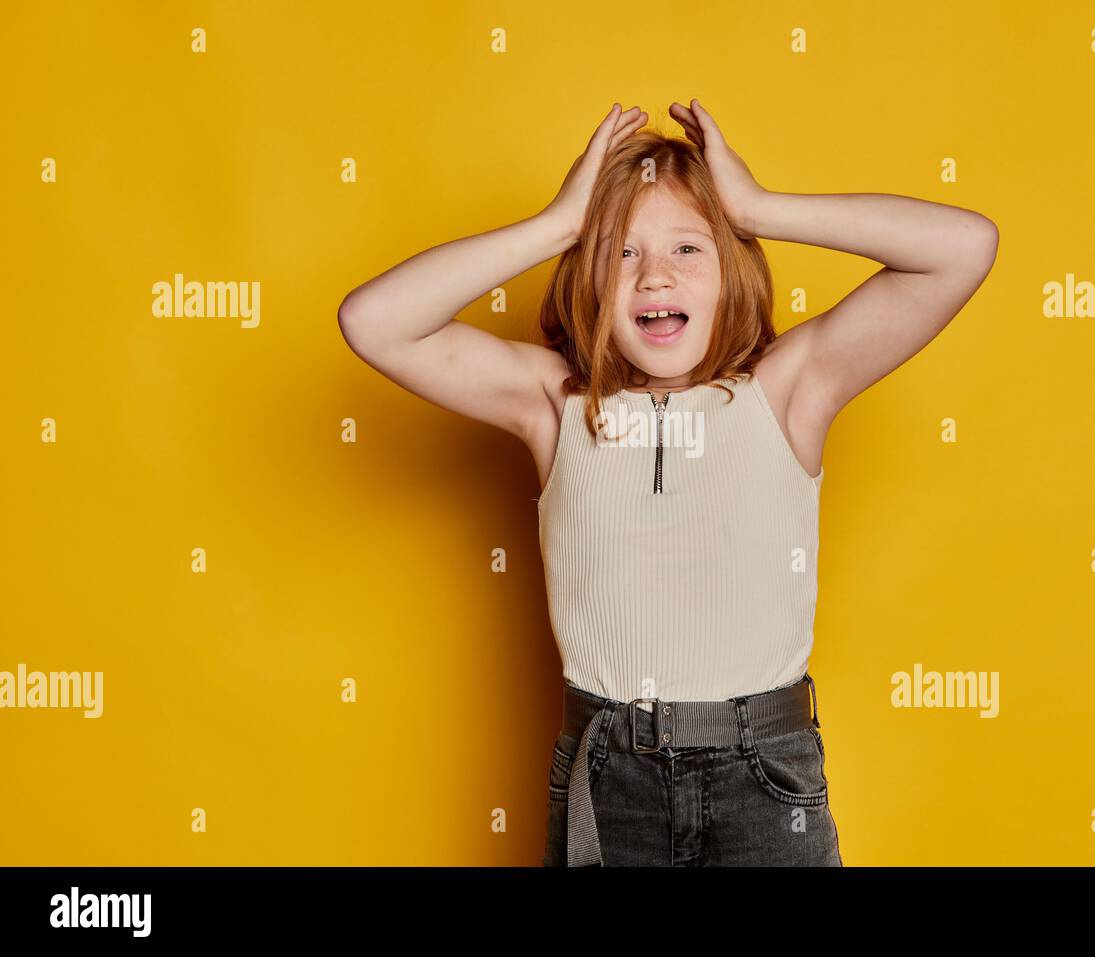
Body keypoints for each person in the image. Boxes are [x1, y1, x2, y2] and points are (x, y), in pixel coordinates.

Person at [337, 99, 999, 866]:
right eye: (621, 251)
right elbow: (374, 320)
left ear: (733, 272)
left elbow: (963, 246)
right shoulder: (554, 403)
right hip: (611, 775)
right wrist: (557, 222)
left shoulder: (787, 392)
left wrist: (760, 207)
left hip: (765, 776)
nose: (654, 273)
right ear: (588, 272)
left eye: (689, 248)